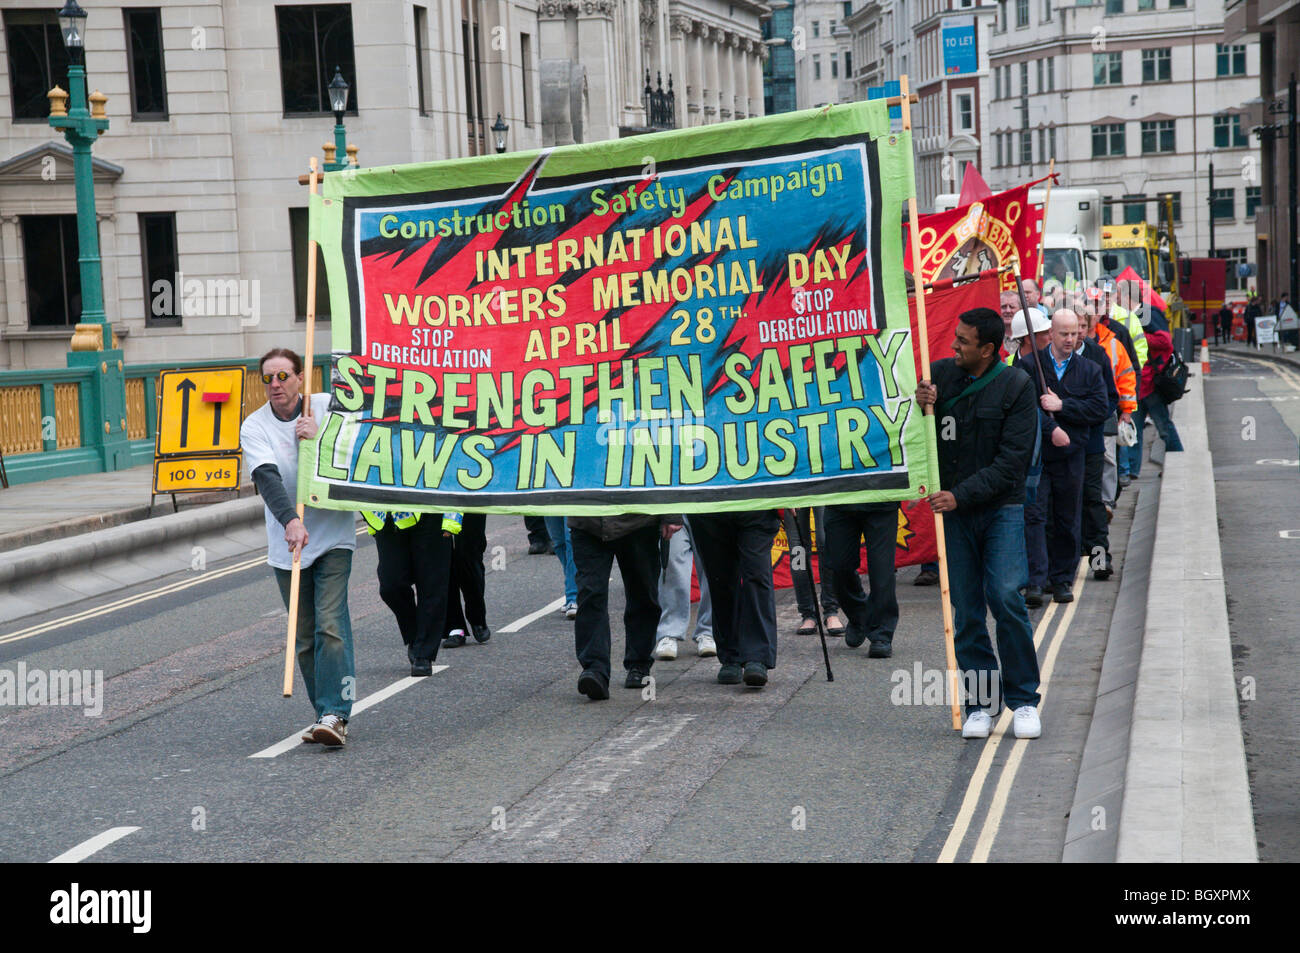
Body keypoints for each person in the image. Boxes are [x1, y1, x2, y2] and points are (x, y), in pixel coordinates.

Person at [914, 307, 1043, 740]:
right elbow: (917, 437)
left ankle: (1024, 700)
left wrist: (959, 494)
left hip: (999, 509)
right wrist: (920, 408)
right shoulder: (939, 376)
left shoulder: (1017, 387)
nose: (953, 348)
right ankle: (980, 705)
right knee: (966, 611)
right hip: (954, 515)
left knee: (1006, 598)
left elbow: (1012, 465)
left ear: (988, 349)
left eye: (963, 342)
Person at [241, 348, 357, 747]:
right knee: (304, 636)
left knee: (330, 624)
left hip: (334, 535)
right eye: (268, 378)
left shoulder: (327, 408)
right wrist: (290, 519)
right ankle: (323, 709)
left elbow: (358, 452)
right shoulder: (254, 426)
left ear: (301, 378)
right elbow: (266, 477)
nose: (275, 385)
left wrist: (320, 438)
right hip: (289, 541)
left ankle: (336, 713)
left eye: (283, 377)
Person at [1021, 311, 1109, 604]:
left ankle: (1061, 580)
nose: (1071, 339)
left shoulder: (1089, 369)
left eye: (1074, 333)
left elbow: (1099, 408)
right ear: (1050, 334)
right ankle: (1036, 580)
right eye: (1064, 334)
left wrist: (1063, 406)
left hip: (1072, 455)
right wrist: (1051, 428)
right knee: (1036, 517)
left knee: (1068, 518)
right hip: (1038, 456)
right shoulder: (1030, 365)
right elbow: (1022, 410)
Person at [568, 513, 682, 700]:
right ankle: (594, 669)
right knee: (590, 595)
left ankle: (639, 662)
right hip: (587, 521)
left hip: (638, 520)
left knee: (643, 593)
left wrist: (671, 514)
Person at [690, 510, 781, 688]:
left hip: (758, 504)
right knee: (720, 580)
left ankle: (758, 656)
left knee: (757, 576)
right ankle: (730, 657)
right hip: (710, 506)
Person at [364, 508, 459, 676]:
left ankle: (424, 654)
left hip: (432, 513)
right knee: (390, 585)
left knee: (432, 587)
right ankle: (415, 635)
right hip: (389, 516)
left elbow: (452, 482)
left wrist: (452, 519)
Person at [1074, 303, 1120, 582]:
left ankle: (1100, 559)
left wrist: (1092, 418)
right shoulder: (1049, 358)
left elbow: (1110, 397)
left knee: (1092, 500)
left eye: (1081, 327)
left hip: (1091, 440)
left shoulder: (1097, 354)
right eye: (1069, 329)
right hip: (1061, 444)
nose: (1076, 334)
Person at [821, 502, 899, 657]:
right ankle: (859, 615)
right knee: (839, 567)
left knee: (881, 570)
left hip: (882, 500)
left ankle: (881, 635)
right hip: (840, 500)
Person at [652, 518, 718, 660]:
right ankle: (668, 632)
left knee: (712, 567)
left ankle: (709, 631)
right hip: (675, 503)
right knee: (671, 562)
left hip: (709, 505)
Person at [783, 507, 845, 636]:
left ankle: (831, 611)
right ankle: (807, 614)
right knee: (797, 549)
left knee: (826, 541)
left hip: (822, 487)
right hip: (794, 490)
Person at [440, 513, 491, 648]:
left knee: (468, 557)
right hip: (439, 496)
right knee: (444, 560)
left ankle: (477, 617)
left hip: (469, 496)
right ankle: (455, 626)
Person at [1136, 320, 1185, 456]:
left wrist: (1138, 336)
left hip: (1150, 385)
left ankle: (1177, 458)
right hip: (1140, 385)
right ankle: (1131, 472)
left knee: (1164, 427)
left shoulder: (1147, 314)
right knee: (1134, 431)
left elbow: (1165, 342)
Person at [544, 515, 578, 620]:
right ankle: (575, 582)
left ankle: (573, 598)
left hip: (572, 499)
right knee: (558, 543)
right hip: (549, 499)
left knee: (570, 541)